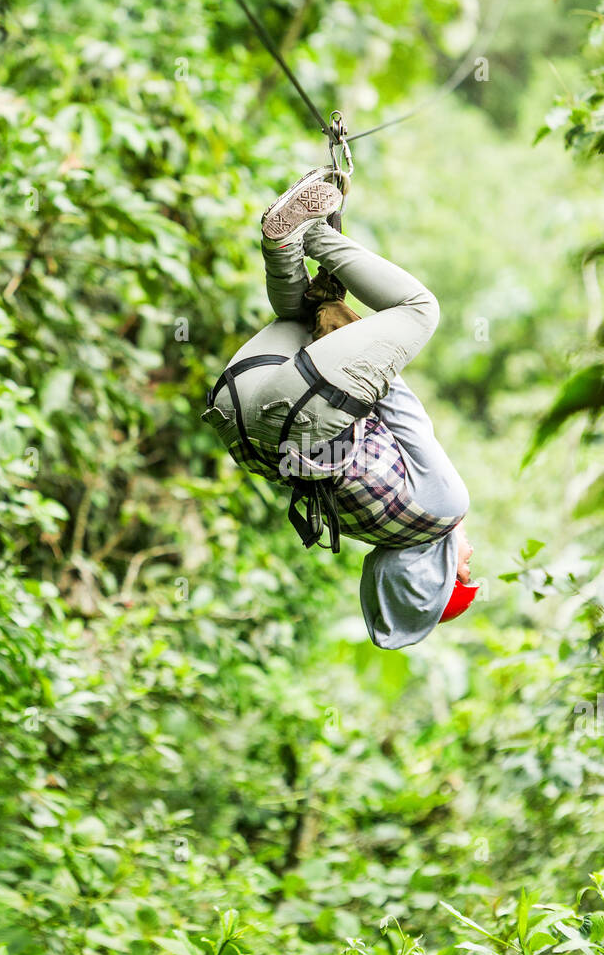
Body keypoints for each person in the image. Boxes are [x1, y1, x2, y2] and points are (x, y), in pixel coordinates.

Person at [202, 169, 477, 647]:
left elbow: (391, 392)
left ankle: (310, 234)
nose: (472, 556)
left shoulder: (445, 509)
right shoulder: (358, 529)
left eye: (466, 569)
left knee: (418, 309)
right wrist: (332, 327)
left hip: (300, 411)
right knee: (305, 316)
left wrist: (350, 331)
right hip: (239, 413)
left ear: (438, 574)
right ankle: (282, 245)